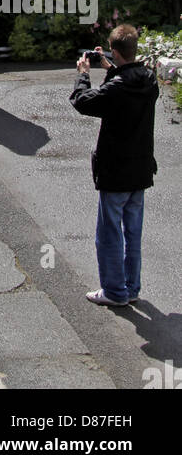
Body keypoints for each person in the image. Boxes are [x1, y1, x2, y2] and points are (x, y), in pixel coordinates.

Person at [70, 24, 159, 306]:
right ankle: (131, 288)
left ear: (116, 52)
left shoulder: (118, 88)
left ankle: (114, 291)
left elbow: (83, 102)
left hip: (116, 170)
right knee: (133, 233)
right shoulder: (149, 80)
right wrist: (112, 67)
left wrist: (83, 75)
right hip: (141, 169)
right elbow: (124, 86)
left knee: (109, 234)